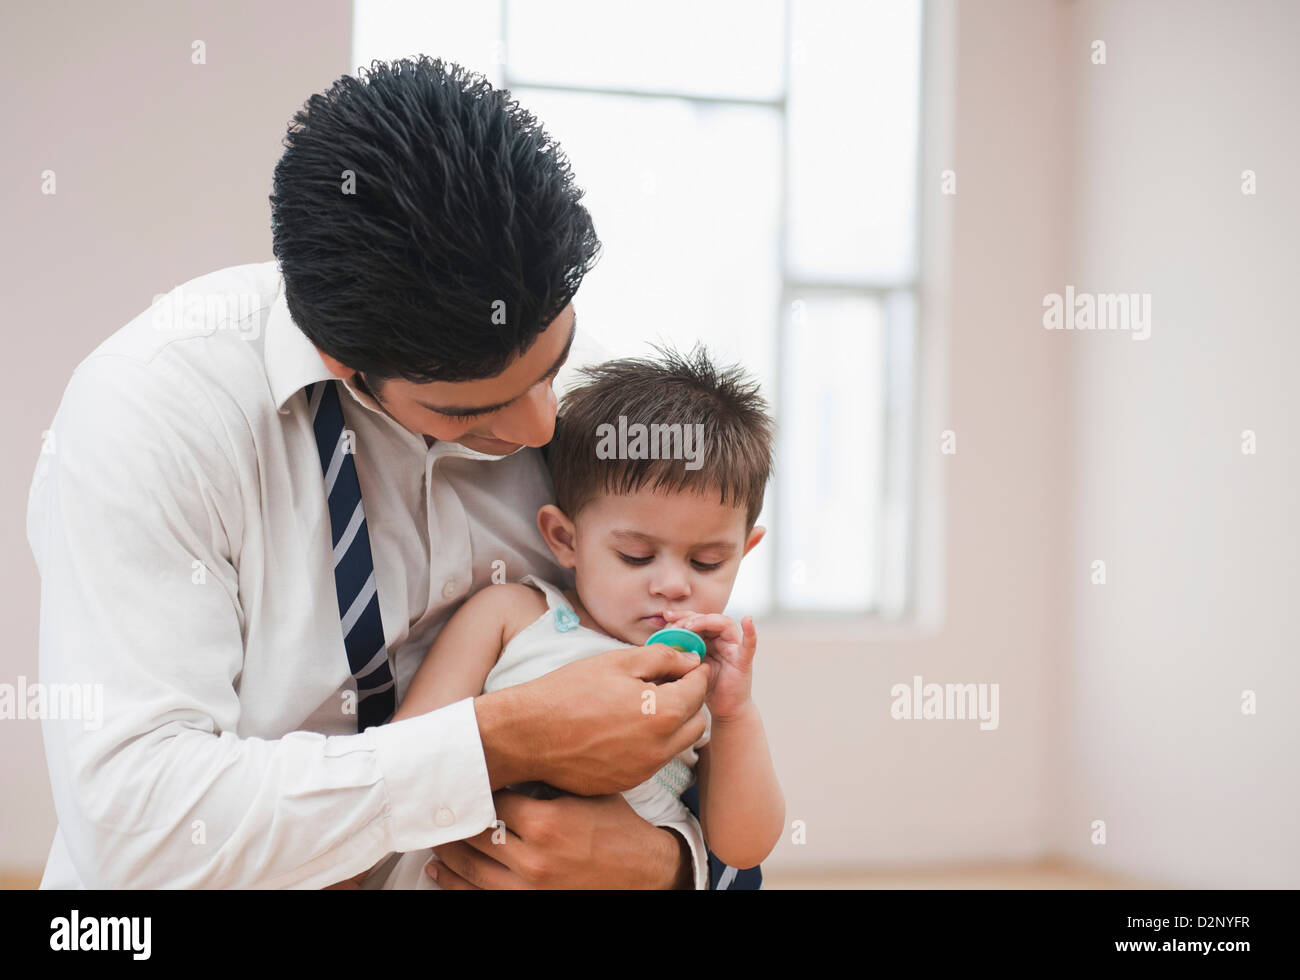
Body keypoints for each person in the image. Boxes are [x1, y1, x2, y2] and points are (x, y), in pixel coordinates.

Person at [28, 56, 723, 888]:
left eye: (555, 362)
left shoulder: (595, 407)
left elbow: (698, 720)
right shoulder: (153, 414)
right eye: (472, 413)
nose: (545, 425)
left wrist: (663, 868)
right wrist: (496, 741)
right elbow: (140, 827)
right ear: (343, 361)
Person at [335, 347, 782, 888]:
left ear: (745, 550)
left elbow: (743, 845)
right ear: (564, 539)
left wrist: (735, 717)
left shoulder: (704, 679)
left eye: (707, 561)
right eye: (636, 556)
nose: (673, 584)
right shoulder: (513, 614)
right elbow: (405, 756)